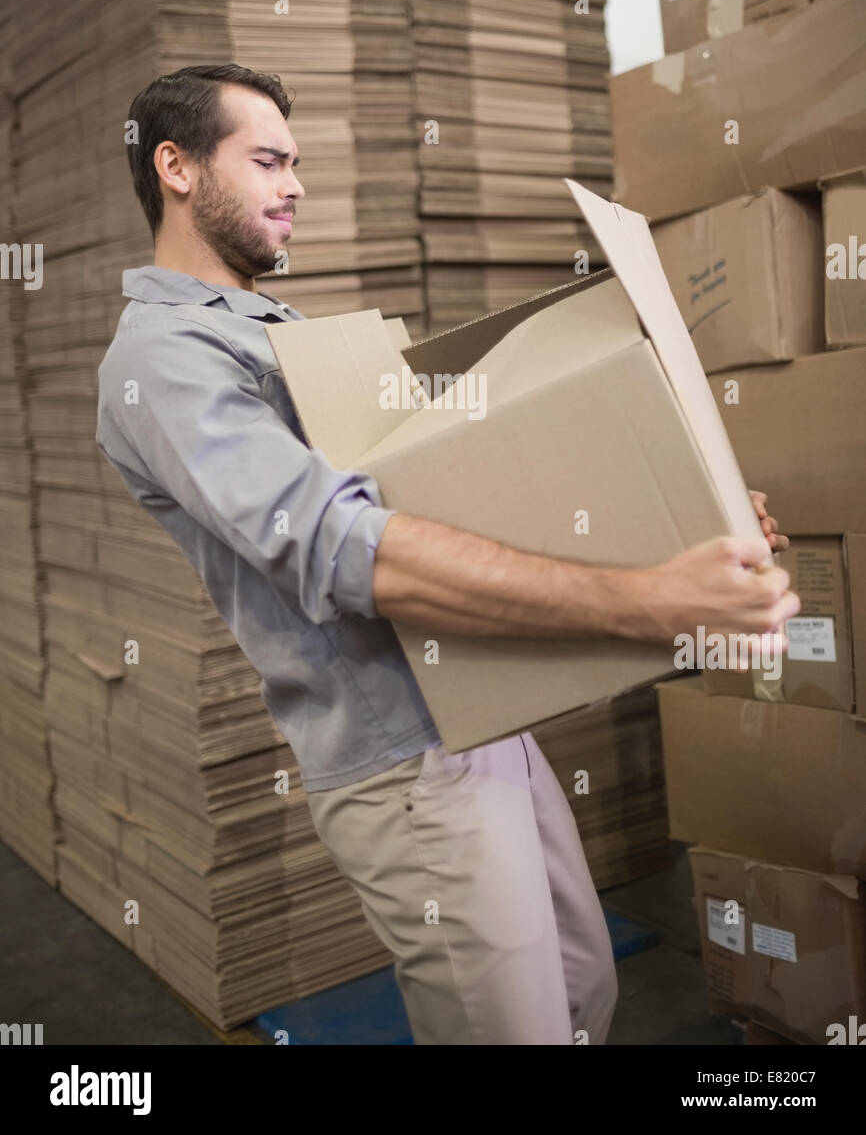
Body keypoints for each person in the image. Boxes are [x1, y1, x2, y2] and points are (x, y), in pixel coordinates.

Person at [96, 63, 797, 1046]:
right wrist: (648, 599)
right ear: (173, 165)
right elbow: (348, 549)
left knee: (582, 992)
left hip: (478, 713)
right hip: (401, 762)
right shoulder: (162, 360)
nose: (294, 184)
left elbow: (462, 484)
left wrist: (684, 523)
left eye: (296, 164)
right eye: (266, 161)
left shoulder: (280, 331)